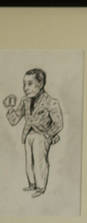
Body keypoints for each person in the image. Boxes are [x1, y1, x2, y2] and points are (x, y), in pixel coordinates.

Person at [4, 65, 64, 193]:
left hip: (42, 136)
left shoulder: (51, 101)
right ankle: (32, 184)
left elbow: (59, 123)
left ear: (40, 84)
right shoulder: (24, 100)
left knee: (40, 162)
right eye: (24, 84)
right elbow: (14, 120)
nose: (25, 88)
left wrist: (49, 135)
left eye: (30, 84)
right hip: (28, 135)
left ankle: (41, 187)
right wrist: (10, 109)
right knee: (29, 162)